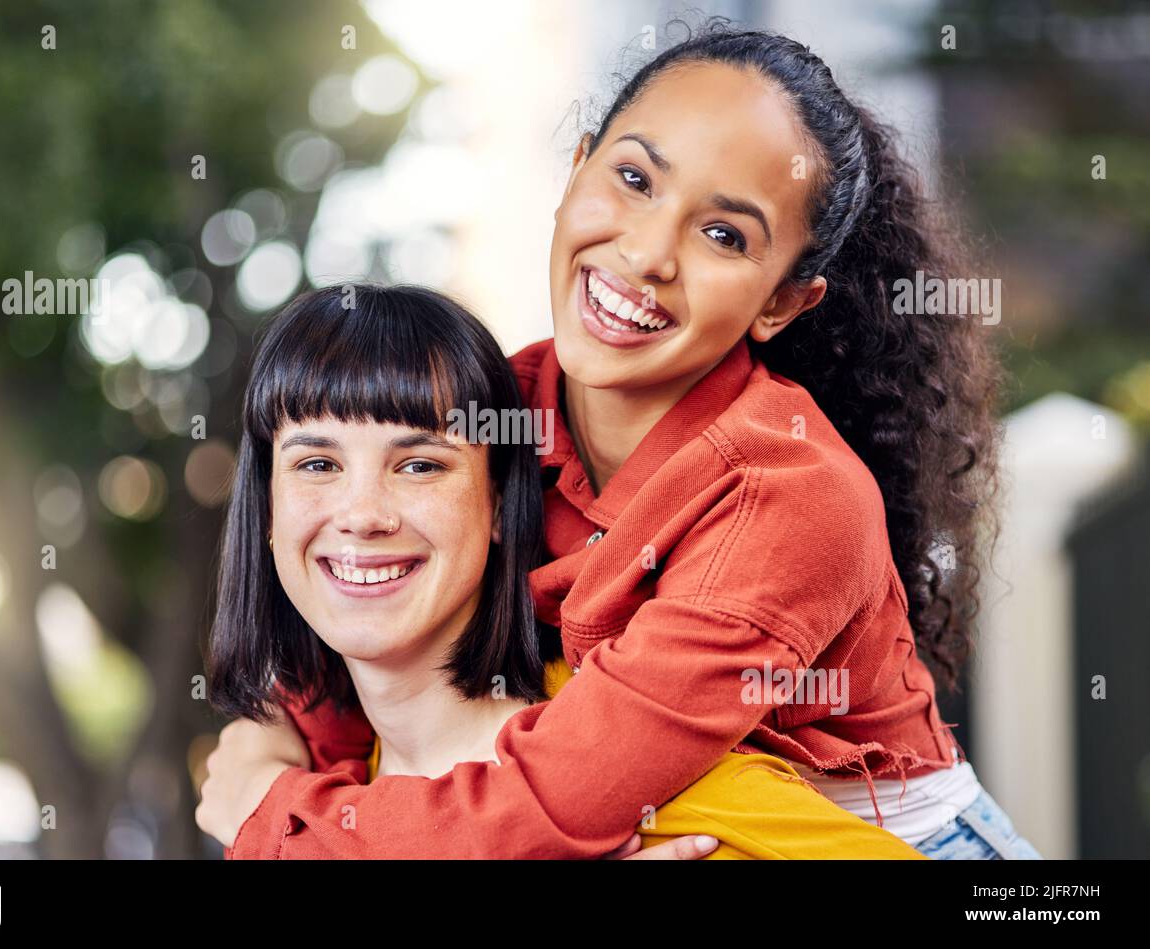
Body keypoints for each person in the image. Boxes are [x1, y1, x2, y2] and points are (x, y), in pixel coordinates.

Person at [201, 21, 1040, 860]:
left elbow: (552, 801)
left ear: (781, 302)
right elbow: (340, 662)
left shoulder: (791, 494)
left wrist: (274, 819)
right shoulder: (491, 409)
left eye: (724, 235)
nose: (645, 254)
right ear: (575, 173)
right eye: (634, 178)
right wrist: (271, 752)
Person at [201, 282, 924, 859]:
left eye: (419, 463)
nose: (362, 513)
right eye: (317, 464)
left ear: (497, 507)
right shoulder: (339, 779)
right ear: (265, 512)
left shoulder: (648, 789)